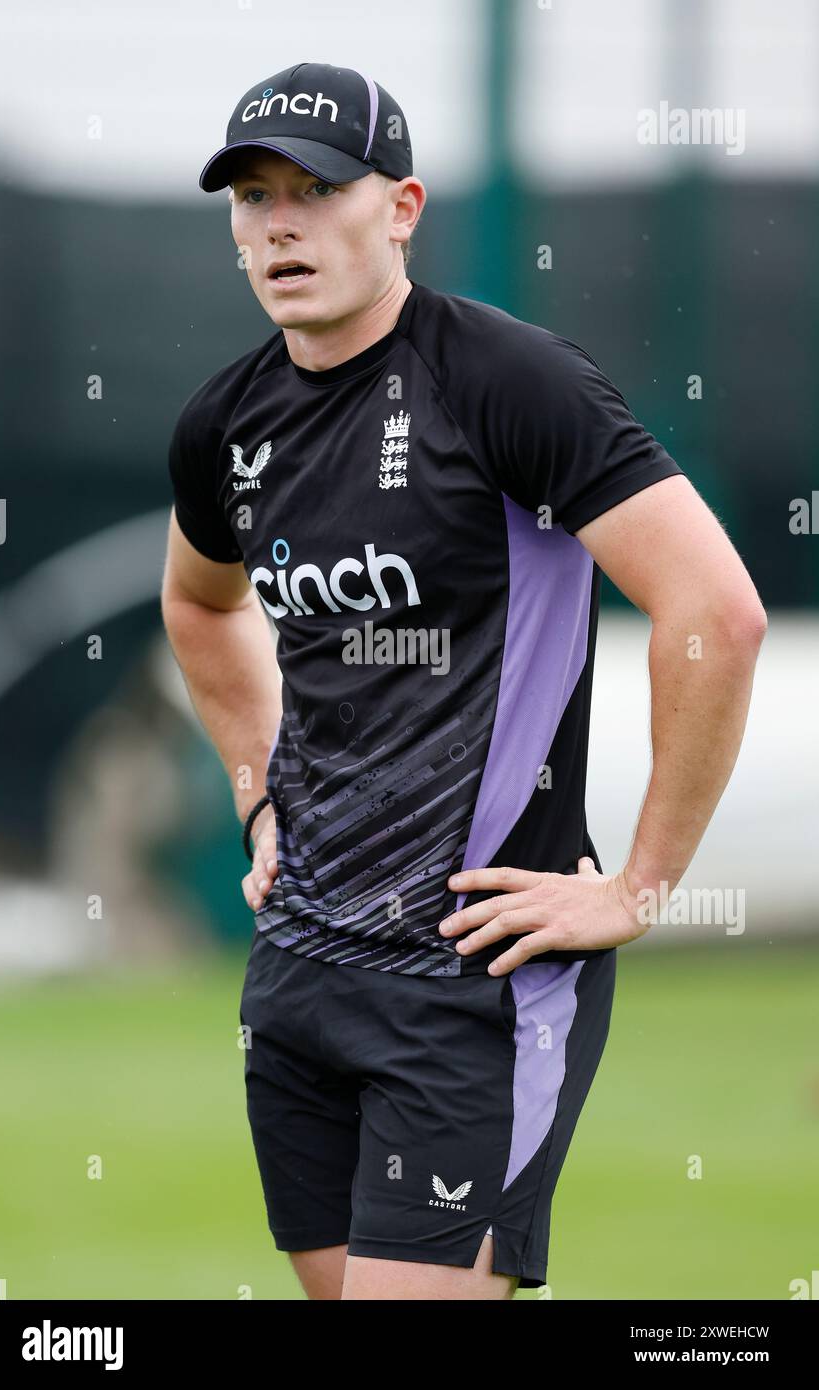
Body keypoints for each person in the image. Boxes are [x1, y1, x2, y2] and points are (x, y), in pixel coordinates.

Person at [160, 62, 767, 1301]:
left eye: (316, 190)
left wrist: (640, 889)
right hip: (298, 972)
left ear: (401, 207)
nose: (279, 223)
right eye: (253, 196)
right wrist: (256, 795)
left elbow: (716, 612)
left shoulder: (504, 379)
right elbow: (199, 605)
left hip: (470, 978)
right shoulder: (226, 423)